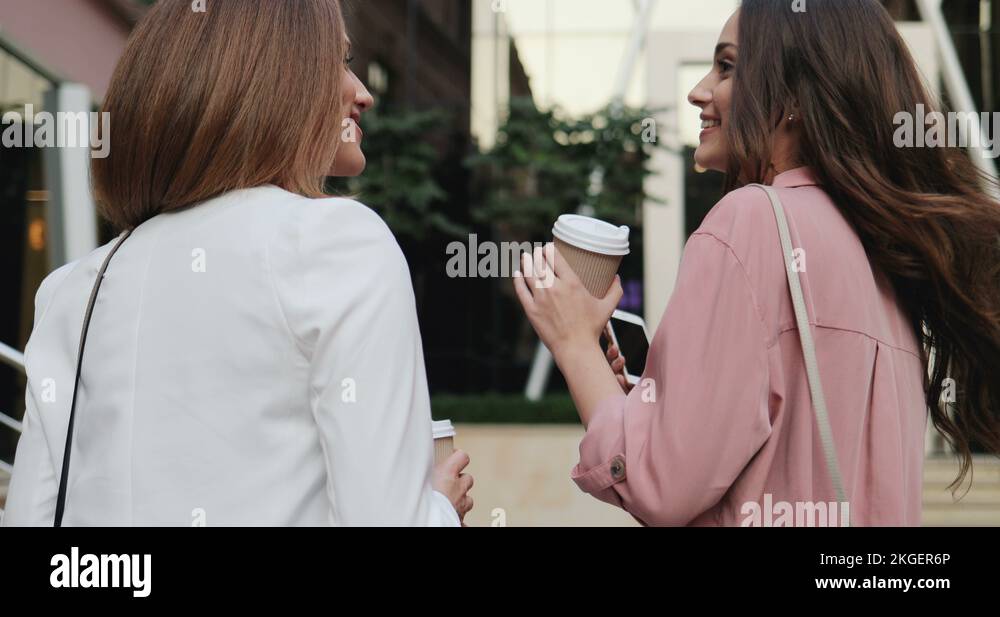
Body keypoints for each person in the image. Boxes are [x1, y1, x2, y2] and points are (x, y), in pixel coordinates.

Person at [514, 0, 1000, 526]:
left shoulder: (751, 221)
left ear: (792, 95)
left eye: (726, 66)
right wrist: (646, 402)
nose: (698, 91)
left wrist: (573, 344)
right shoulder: (883, 249)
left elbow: (662, 484)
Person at [3, 0, 472, 526]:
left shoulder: (73, 292)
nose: (362, 93)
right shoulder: (339, 242)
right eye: (338, 61)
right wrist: (438, 507)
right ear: (271, 78)